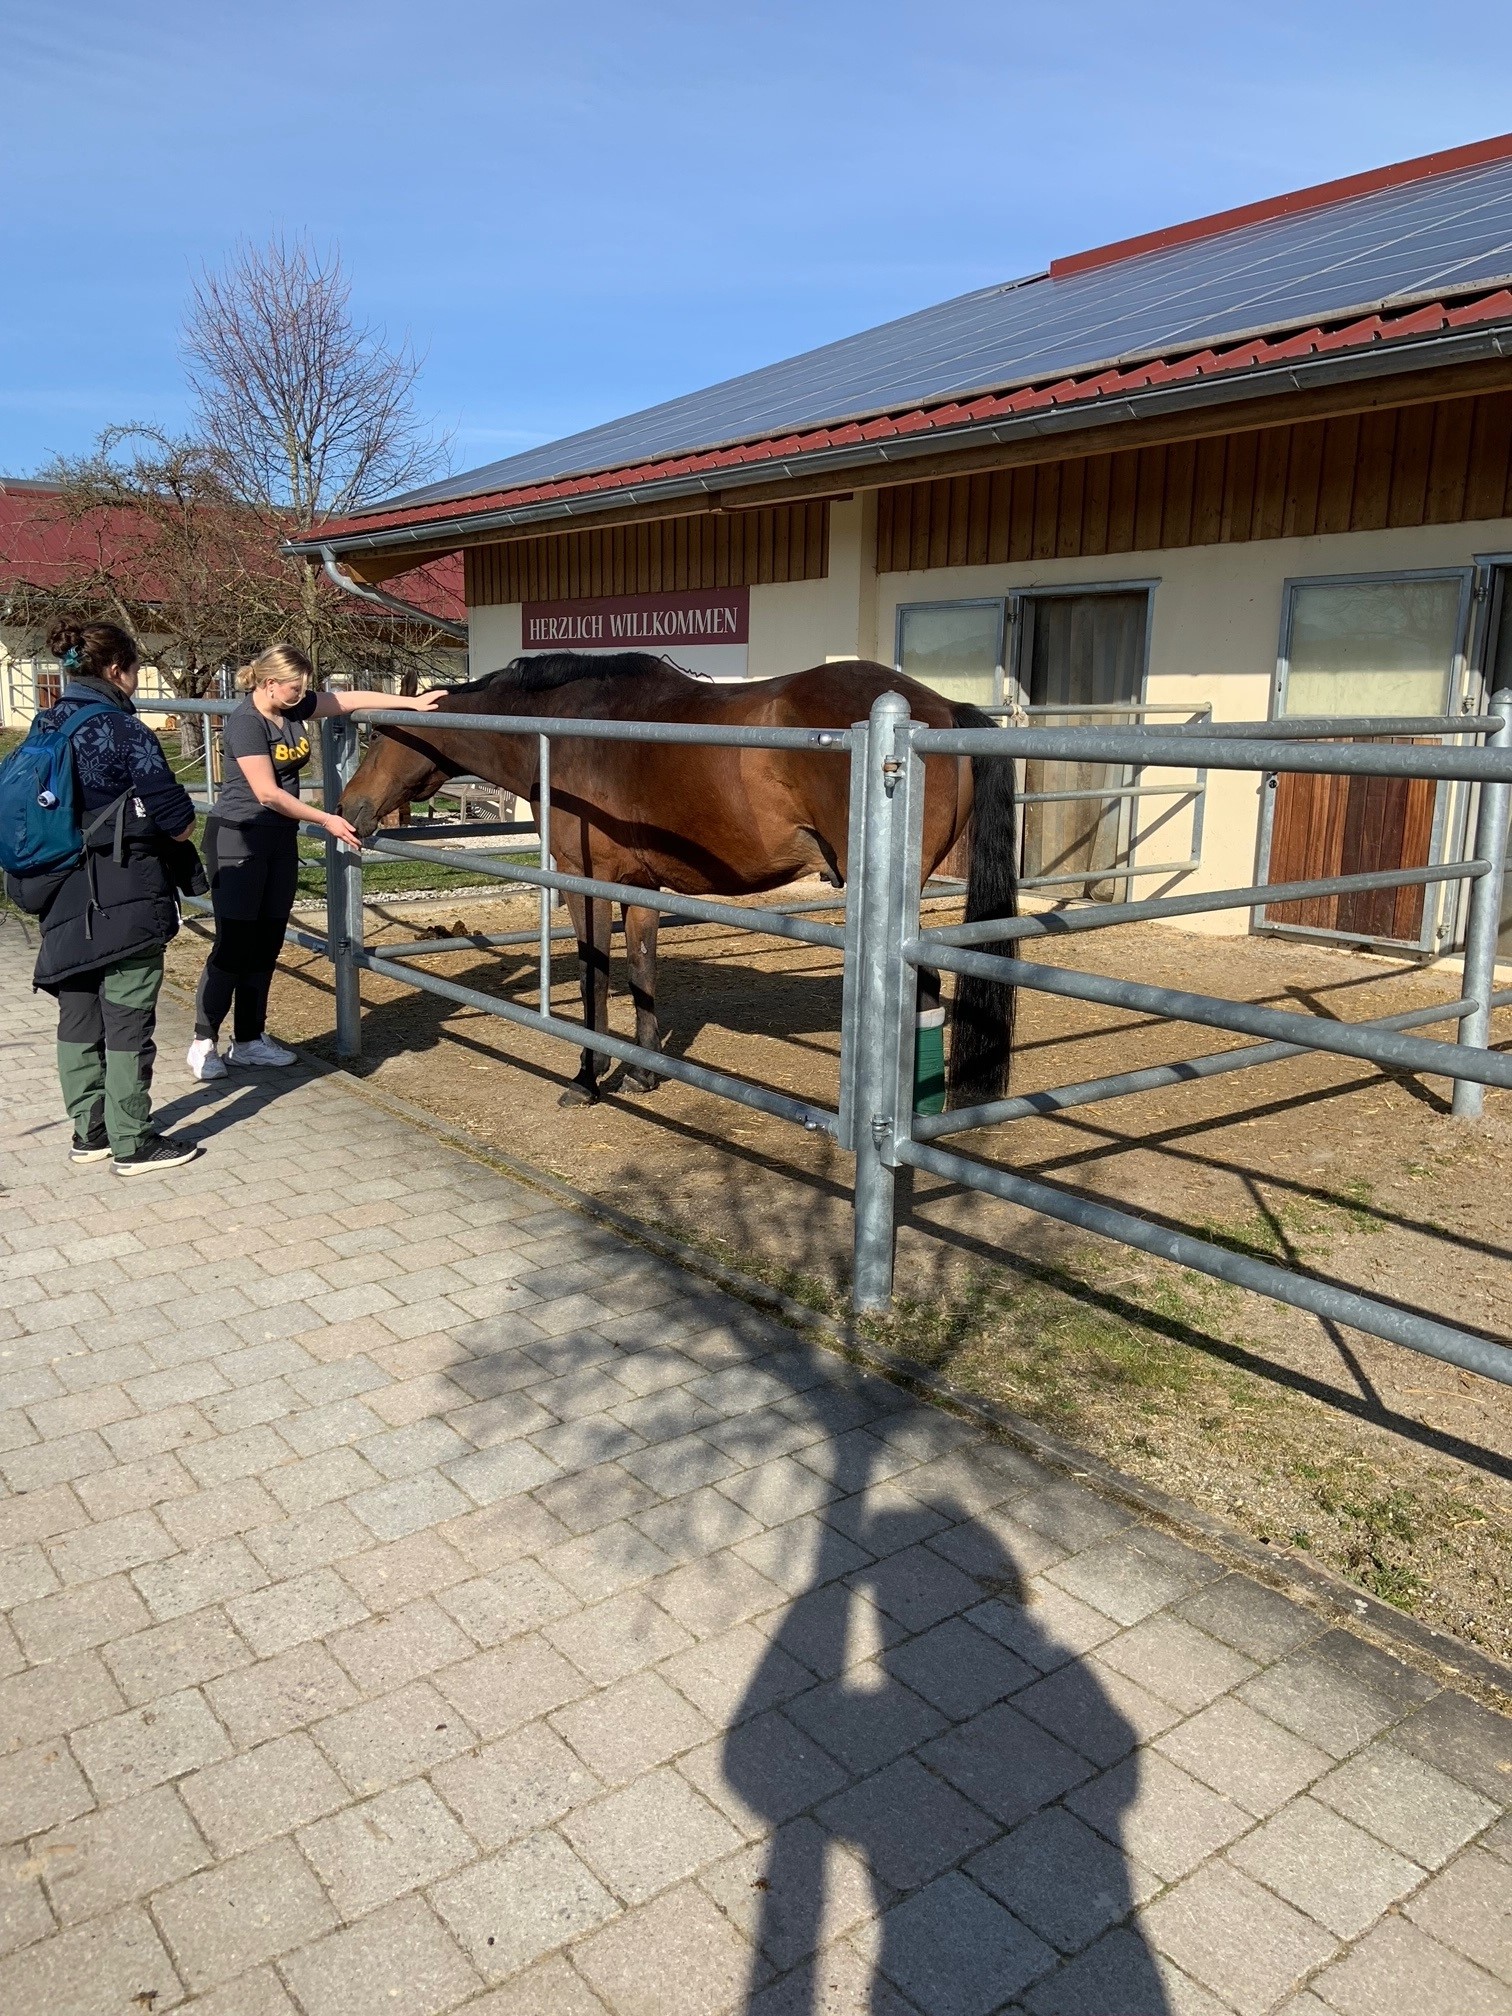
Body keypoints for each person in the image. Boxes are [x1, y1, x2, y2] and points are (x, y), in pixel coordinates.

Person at [187, 646, 441, 1079]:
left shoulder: (292, 707)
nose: (303, 695)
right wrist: (327, 819)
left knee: (267, 941)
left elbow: (349, 700)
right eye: (295, 688)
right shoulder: (247, 724)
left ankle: (248, 1039)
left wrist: (412, 704)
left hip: (278, 839)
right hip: (238, 837)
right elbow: (267, 793)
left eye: (304, 688)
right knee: (234, 945)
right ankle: (203, 1042)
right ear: (269, 684)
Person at [6, 620, 203, 1175]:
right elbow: (178, 821)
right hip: (125, 893)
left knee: (77, 1012)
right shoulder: (124, 730)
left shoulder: (44, 722)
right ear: (116, 670)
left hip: (58, 890)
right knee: (128, 1017)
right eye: (137, 670)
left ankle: (88, 1132)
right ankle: (133, 1141)